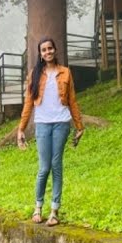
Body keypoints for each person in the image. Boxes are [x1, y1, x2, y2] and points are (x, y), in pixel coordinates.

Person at [17, 37, 84, 226]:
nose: (47, 52)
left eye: (50, 48)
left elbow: (72, 100)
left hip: (61, 123)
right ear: (40, 54)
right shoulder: (35, 74)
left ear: (55, 50)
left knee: (56, 165)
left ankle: (54, 210)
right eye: (44, 50)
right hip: (42, 124)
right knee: (44, 168)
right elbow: (28, 103)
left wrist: (79, 126)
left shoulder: (65, 72)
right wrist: (21, 129)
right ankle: (38, 207)